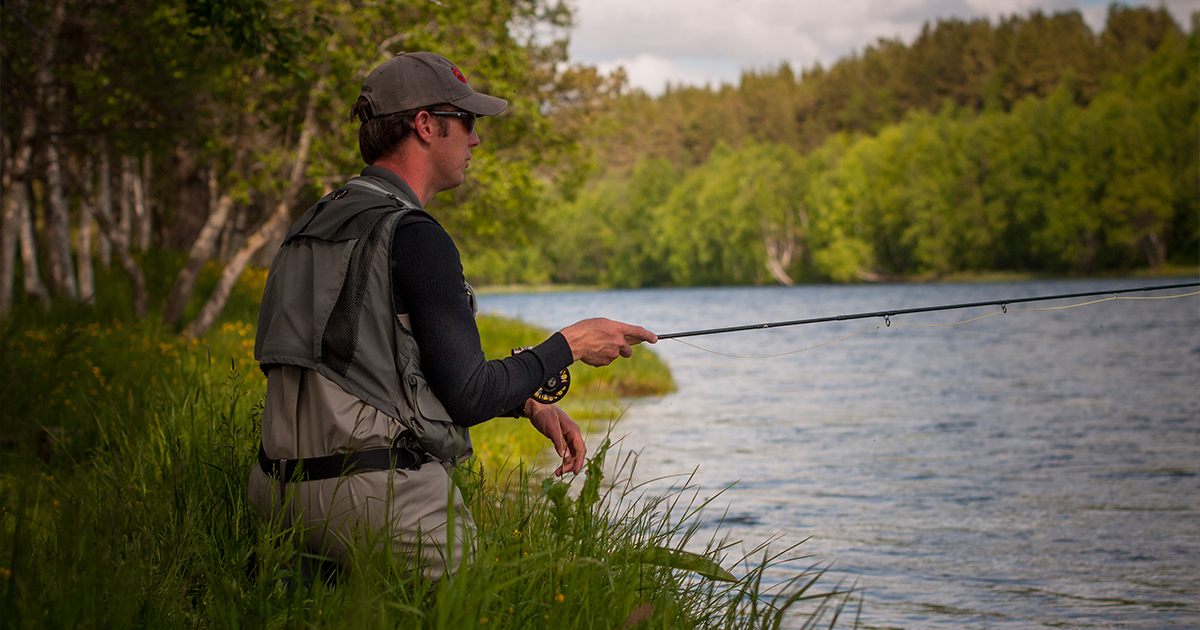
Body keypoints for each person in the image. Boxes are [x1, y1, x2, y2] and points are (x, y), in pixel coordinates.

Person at [249, 51, 657, 580]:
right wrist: (570, 345)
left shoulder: (312, 224)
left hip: (275, 498)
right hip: (374, 499)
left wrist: (528, 407)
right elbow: (465, 396)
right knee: (484, 604)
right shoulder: (414, 236)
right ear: (424, 125)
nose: (476, 138)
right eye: (465, 122)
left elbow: (377, 371)